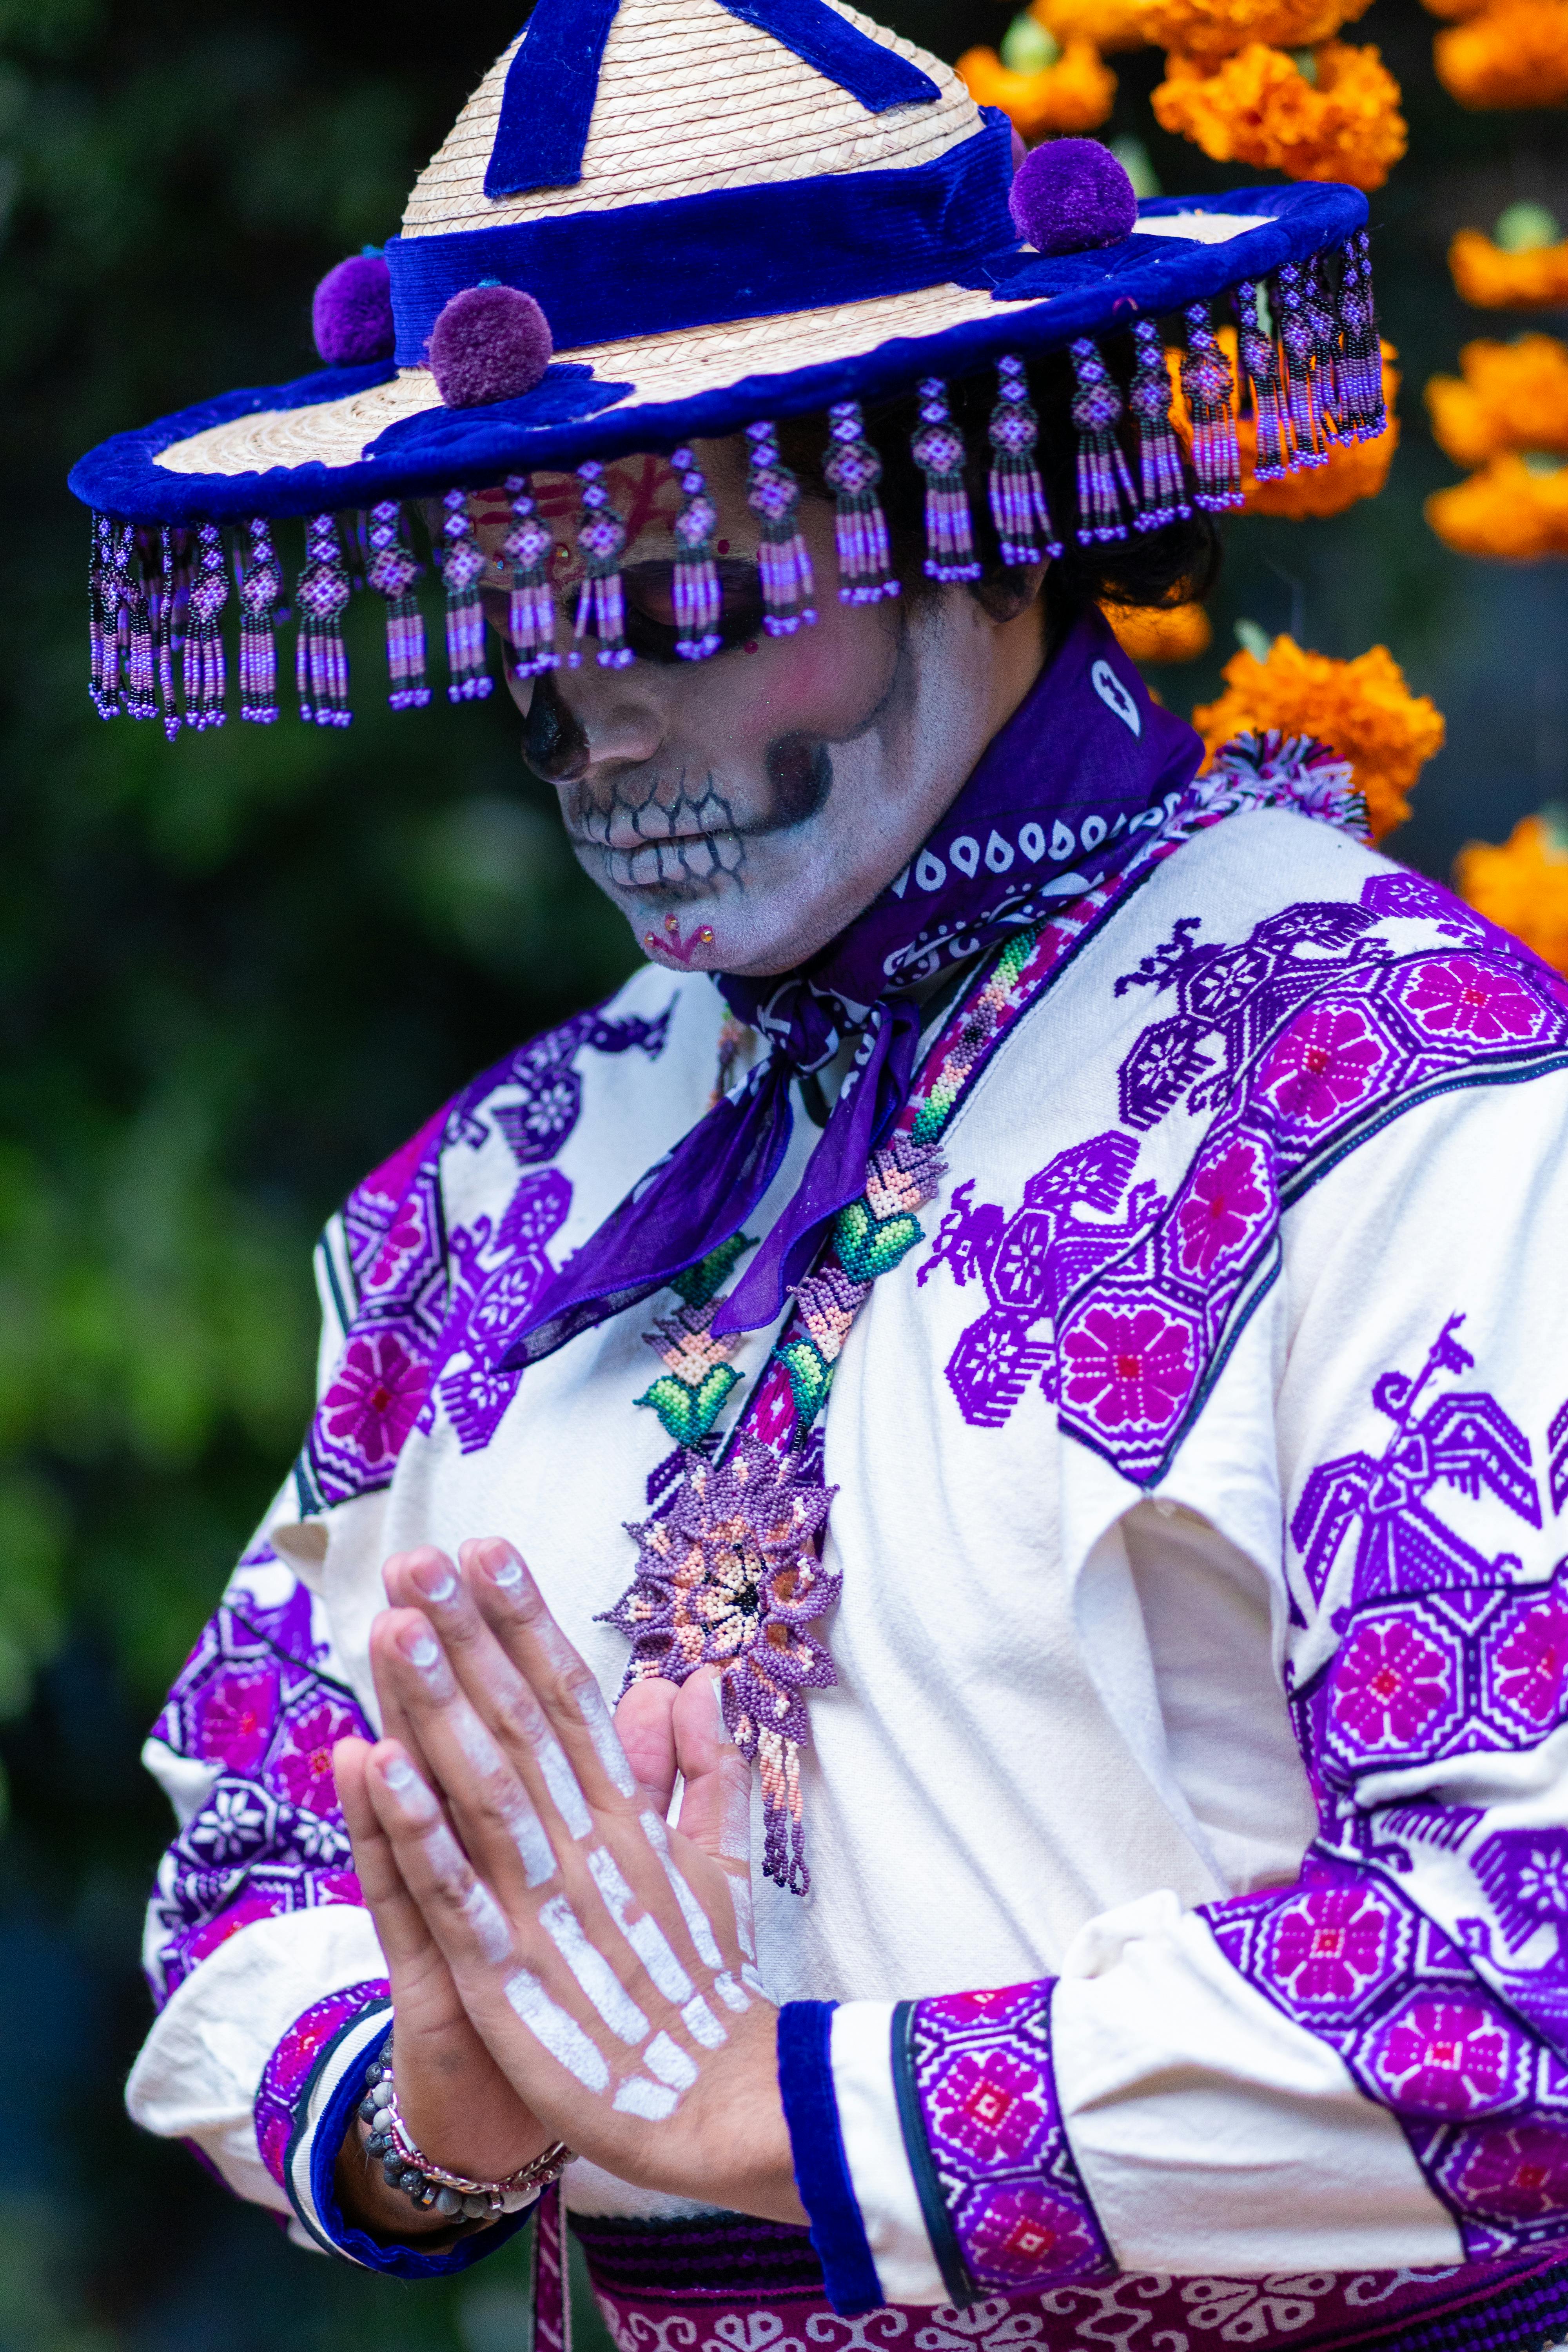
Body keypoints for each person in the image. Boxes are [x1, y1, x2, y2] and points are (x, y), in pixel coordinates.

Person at [70, 5, 1568, 2348]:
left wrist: (774, 2112)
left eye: (681, 610)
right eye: (530, 650)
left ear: (976, 515)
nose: (595, 730)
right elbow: (248, 1873)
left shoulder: (1392, 1084)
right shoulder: (503, 1185)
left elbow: (1522, 1980)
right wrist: (432, 2104)